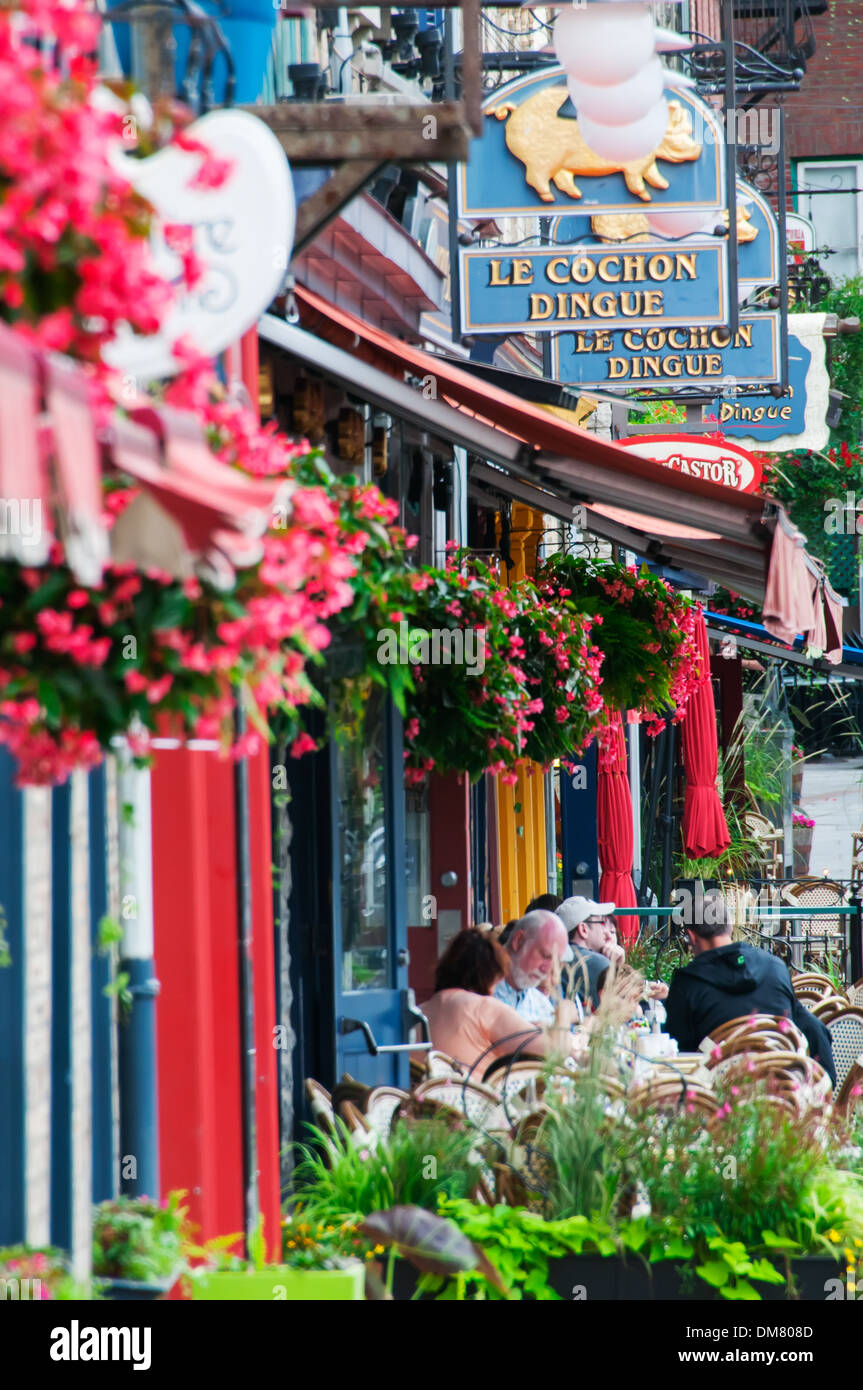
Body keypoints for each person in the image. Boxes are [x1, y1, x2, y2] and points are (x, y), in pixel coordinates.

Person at [664, 896, 837, 1084]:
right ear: (730, 927)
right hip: (784, 1089)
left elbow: (678, 1052)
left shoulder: (687, 984)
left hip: (720, 1099)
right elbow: (810, 1026)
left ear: (691, 935)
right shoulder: (774, 967)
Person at [419, 928, 577, 1073]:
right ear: (488, 976)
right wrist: (564, 1013)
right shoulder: (484, 1008)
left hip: (419, 1100)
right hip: (469, 1100)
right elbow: (556, 1052)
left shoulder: (421, 1011)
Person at [493, 909, 575, 1026]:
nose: (547, 969)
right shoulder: (477, 990)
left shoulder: (541, 1004)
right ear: (519, 941)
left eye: (556, 962)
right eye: (546, 956)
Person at [556, 897, 617, 1011]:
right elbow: (627, 1008)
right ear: (583, 930)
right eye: (602, 923)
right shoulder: (599, 963)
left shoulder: (556, 959)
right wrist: (617, 963)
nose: (607, 931)